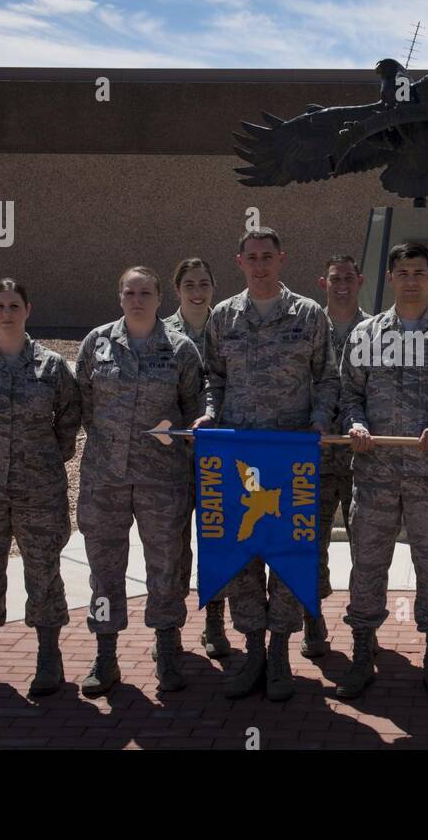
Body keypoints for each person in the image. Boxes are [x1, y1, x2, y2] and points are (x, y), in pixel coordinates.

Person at [193, 227, 339, 701]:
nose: (259, 265)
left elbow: (327, 380)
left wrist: (318, 421)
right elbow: (213, 376)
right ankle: (252, 647)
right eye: (251, 257)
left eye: (267, 257)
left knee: (289, 555)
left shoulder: (310, 316)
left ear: (282, 259)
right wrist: (210, 413)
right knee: (243, 556)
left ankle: (279, 653)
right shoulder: (223, 317)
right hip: (238, 459)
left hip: (291, 456)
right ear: (239, 262)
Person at [335, 243, 428, 703]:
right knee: (368, 566)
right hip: (376, 474)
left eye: (419, 272)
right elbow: (347, 395)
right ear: (390, 278)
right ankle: (363, 653)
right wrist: (355, 424)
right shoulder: (365, 335)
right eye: (402, 272)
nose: (411, 280)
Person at [0, 278, 81, 697]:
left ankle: (48, 659)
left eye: (14, 305)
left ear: (28, 309)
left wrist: (43, 458)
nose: (7, 313)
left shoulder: (51, 366)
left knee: (43, 571)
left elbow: (69, 419)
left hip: (38, 490)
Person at [75, 266, 204, 697]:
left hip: (162, 479)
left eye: (145, 292)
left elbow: (193, 410)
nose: (137, 300)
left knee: (166, 567)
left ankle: (167, 651)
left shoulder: (181, 349)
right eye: (129, 292)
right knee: (103, 569)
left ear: (159, 298)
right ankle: (105, 656)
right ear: (119, 297)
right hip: (104, 478)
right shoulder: (96, 343)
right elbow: (85, 403)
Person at [162, 257, 230, 660]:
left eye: (204, 282)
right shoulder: (161, 332)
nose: (197, 291)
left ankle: (215, 623)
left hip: (216, 454)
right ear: (177, 289)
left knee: (215, 541)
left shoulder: (227, 326)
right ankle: (169, 629)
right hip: (172, 459)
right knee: (171, 545)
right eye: (189, 283)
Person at [310, 254, 370, 659]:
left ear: (360, 280)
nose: (342, 284)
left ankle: (364, 626)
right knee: (310, 544)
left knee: (365, 547)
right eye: (335, 278)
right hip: (313, 455)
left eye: (348, 277)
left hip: (359, 457)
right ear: (323, 282)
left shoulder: (376, 330)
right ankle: (312, 621)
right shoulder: (306, 326)